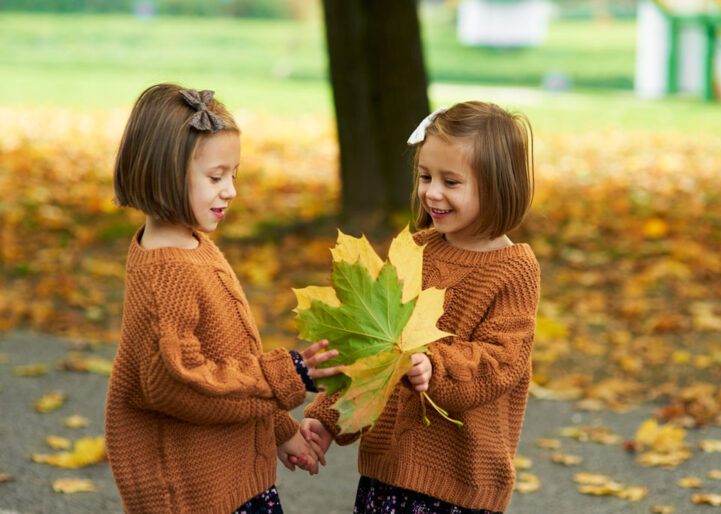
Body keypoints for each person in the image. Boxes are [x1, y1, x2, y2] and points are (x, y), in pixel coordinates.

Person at [105, 83, 341, 514]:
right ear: (164, 173)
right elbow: (184, 382)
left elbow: (229, 358)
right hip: (194, 490)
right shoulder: (167, 270)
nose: (230, 190)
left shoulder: (191, 244)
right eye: (216, 177)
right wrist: (289, 374)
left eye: (234, 175)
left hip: (230, 476)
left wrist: (279, 429)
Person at [301, 101, 540, 513]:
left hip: (457, 478)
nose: (432, 192)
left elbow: (503, 361)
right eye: (426, 176)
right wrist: (327, 416)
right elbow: (370, 351)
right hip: (387, 470)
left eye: (451, 182)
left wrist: (436, 365)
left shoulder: (513, 269)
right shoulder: (413, 252)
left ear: (498, 186)